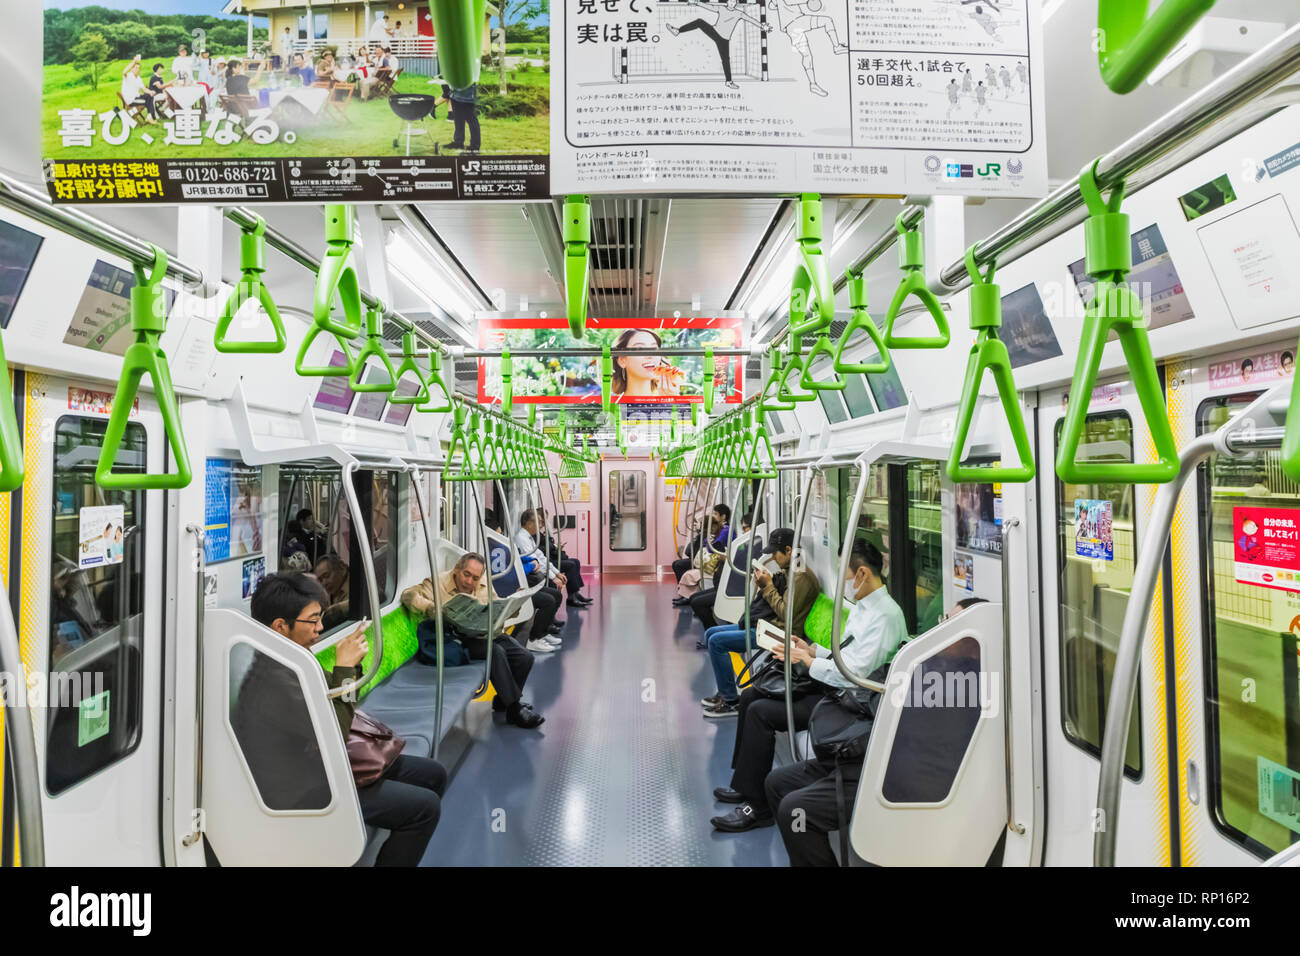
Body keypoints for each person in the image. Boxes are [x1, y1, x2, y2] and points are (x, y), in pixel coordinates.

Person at [763, 596, 986, 865]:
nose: (942, 631)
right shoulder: (927, 662)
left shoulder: (969, 686)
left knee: (795, 811)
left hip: (896, 775)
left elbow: (919, 741)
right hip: (871, 757)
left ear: (975, 648)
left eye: (953, 627)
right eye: (945, 621)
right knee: (777, 782)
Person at [242, 573, 446, 866]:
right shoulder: (272, 683)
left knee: (433, 774)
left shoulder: (294, 660)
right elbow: (335, 735)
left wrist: (351, 667)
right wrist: (346, 669)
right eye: (313, 620)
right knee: (425, 809)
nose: (320, 628)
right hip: (305, 789)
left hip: (320, 764)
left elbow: (340, 696)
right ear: (280, 626)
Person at [710, 540, 904, 833]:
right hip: (833, 687)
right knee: (750, 695)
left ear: (862, 574)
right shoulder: (865, 607)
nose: (842, 582)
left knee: (760, 712)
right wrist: (812, 650)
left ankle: (759, 808)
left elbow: (854, 676)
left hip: (851, 704)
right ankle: (746, 785)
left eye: (844, 574)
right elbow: (845, 655)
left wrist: (808, 661)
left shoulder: (886, 617)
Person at [402, 552, 545, 728]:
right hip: (458, 638)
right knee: (495, 652)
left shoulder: (484, 584)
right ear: (457, 569)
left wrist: (513, 605)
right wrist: (432, 608)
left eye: (475, 578)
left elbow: (497, 610)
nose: (469, 581)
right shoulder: (437, 583)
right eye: (466, 574)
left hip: (486, 633)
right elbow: (408, 595)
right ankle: (514, 709)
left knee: (525, 657)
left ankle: (502, 701)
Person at [701, 528, 821, 718]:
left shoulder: (800, 577)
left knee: (717, 642)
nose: (772, 558)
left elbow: (785, 613)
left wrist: (768, 587)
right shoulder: (791, 571)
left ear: (788, 550)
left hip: (782, 633)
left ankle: (730, 701)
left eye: (775, 553)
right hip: (770, 624)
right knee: (711, 633)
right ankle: (725, 689)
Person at [666, 0, 770, 90]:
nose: (732, 3)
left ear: (736, 3)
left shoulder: (739, 13)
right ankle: (678, 31)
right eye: (730, 1)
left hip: (724, 40)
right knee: (699, 22)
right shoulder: (721, 8)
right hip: (715, 32)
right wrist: (697, 2)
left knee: (726, 60)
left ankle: (729, 82)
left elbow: (750, 19)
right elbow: (709, 7)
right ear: (727, 2)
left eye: (734, 1)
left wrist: (762, 26)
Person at [771, 0, 848, 98]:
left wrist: (781, 8)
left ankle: (813, 84)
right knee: (827, 21)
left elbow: (771, 6)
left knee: (806, 55)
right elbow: (789, 2)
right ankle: (837, 47)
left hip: (792, 27)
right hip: (797, 21)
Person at [516, 509, 568, 649]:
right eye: (539, 522)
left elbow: (541, 557)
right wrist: (553, 577)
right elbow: (536, 563)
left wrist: (556, 573)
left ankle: (543, 632)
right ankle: (533, 639)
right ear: (529, 523)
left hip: (534, 579)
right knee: (549, 600)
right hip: (526, 581)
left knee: (556, 595)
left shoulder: (530, 538)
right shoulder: (521, 539)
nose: (541, 525)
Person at [537, 508, 592, 607]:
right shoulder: (535, 535)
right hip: (548, 560)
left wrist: (556, 547)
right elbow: (540, 550)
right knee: (571, 565)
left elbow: (548, 545)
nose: (544, 523)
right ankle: (571, 598)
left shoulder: (542, 532)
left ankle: (575, 593)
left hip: (551, 556)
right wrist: (554, 547)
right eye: (543, 520)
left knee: (576, 562)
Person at [611, 328, 684, 398]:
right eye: (640, 349)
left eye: (654, 348)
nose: (650, 355)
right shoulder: (611, 402)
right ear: (622, 360)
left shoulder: (670, 397)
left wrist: (671, 401)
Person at [313, 554, 350, 630]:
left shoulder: (358, 583)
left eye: (327, 576)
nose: (324, 583)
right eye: (320, 580)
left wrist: (337, 610)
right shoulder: (330, 593)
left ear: (341, 569)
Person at [120, 57, 158, 122]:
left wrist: (151, 92)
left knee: (150, 96)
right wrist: (134, 61)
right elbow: (124, 71)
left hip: (137, 97)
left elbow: (144, 89)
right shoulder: (128, 76)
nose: (137, 70)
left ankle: (150, 117)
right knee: (148, 100)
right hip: (131, 99)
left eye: (138, 68)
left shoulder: (138, 78)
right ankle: (151, 117)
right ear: (131, 69)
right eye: (135, 68)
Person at [445, 84, 481, 153]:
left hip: (467, 93)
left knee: (471, 119)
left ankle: (475, 146)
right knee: (458, 118)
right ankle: (458, 142)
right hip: (455, 93)